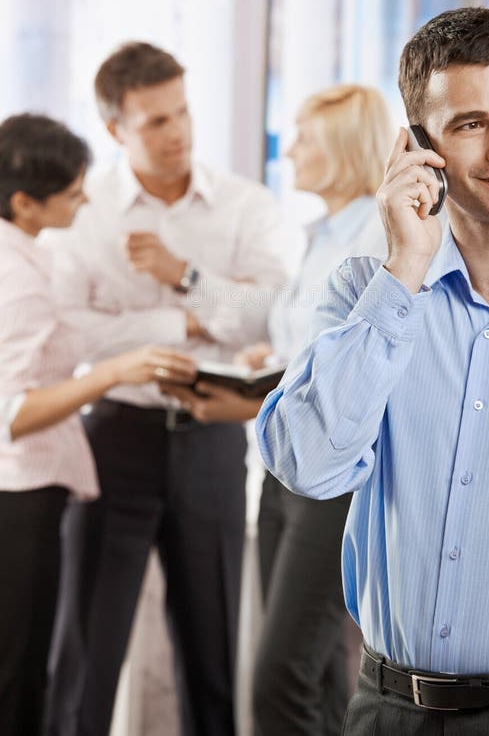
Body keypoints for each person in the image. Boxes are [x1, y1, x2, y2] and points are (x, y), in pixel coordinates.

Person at [256, 7, 489, 736]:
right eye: (471, 124)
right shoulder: (365, 291)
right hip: (388, 713)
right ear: (419, 146)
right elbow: (307, 467)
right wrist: (405, 270)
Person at [43, 43, 287, 736]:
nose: (178, 131)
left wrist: (186, 277)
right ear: (116, 130)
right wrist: (183, 322)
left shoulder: (244, 205)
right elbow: (69, 331)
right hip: (113, 440)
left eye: (182, 112)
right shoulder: (85, 213)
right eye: (155, 121)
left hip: (213, 440)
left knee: (213, 659)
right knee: (85, 658)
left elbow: (270, 314)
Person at [162, 83, 395, 736]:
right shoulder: (321, 237)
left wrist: (247, 397)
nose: (289, 151)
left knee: (278, 681)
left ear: (343, 149)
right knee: (317, 681)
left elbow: (359, 371)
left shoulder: (380, 239)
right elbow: (288, 327)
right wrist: (264, 356)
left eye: (304, 138)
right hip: (282, 473)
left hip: (331, 481)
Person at [0, 113, 196, 736]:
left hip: (49, 485)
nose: (85, 202)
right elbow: (15, 412)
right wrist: (116, 370)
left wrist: (187, 284)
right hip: (29, 488)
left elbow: (260, 305)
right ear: (24, 202)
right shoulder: (23, 274)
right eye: (72, 193)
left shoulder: (27, 256)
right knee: (27, 670)